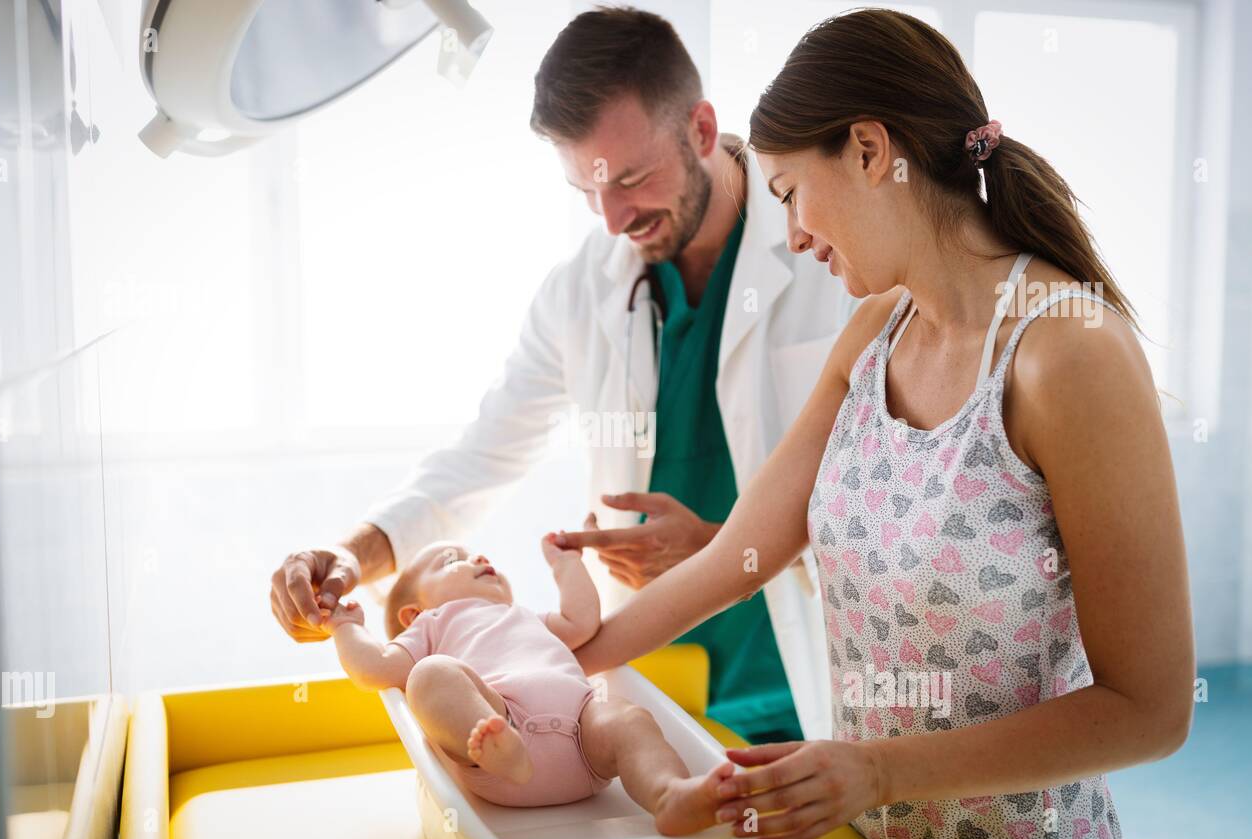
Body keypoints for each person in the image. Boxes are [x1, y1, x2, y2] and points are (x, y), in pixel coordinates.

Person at [571, 8, 1194, 839]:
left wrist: (876, 770)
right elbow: (741, 557)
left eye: (790, 193)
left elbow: (1150, 710)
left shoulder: (1068, 355)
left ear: (869, 151)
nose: (790, 235)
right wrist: (559, 654)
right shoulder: (874, 333)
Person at [269, 7, 852, 746]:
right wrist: (352, 556)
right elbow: (480, 459)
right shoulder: (582, 292)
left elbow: (896, 496)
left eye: (632, 180)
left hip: (807, 682)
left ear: (702, 130)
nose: (612, 220)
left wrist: (721, 546)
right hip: (647, 692)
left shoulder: (830, 251)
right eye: (587, 192)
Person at [322, 538, 734, 832]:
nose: (478, 557)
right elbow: (373, 668)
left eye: (474, 553)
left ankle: (670, 794)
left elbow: (583, 619)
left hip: (584, 736)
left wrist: (566, 563)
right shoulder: (432, 625)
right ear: (413, 613)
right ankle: (501, 748)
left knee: (627, 718)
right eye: (452, 560)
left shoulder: (529, 617)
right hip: (496, 731)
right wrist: (345, 627)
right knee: (428, 675)